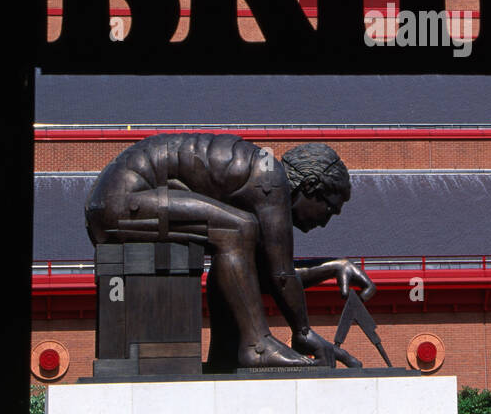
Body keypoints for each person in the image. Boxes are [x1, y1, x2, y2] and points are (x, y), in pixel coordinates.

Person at [84, 132, 375, 368]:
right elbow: (281, 275)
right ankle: (257, 346)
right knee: (236, 229)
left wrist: (333, 267)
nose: (324, 222)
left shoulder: (260, 176)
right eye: (329, 209)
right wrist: (302, 333)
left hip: (114, 204)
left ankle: (226, 352)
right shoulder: (271, 180)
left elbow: (258, 275)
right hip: (122, 202)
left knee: (234, 241)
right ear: (311, 186)